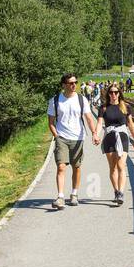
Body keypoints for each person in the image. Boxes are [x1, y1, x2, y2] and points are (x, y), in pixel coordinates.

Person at [48, 73, 97, 209]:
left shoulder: (82, 100)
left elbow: (88, 118)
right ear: (64, 85)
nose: (74, 84)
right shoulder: (55, 100)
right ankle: (60, 197)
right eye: (71, 83)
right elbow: (51, 122)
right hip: (62, 137)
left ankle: (74, 194)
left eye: (75, 82)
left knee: (76, 167)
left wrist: (94, 133)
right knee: (61, 166)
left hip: (78, 137)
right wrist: (56, 136)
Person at [93, 82, 134, 205]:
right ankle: (116, 190)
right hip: (109, 136)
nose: (113, 94)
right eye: (111, 92)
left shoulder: (125, 107)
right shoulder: (103, 108)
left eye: (116, 92)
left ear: (119, 94)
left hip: (122, 136)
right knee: (112, 167)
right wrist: (95, 134)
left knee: (121, 165)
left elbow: (130, 124)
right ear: (108, 94)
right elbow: (99, 123)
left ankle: (121, 192)